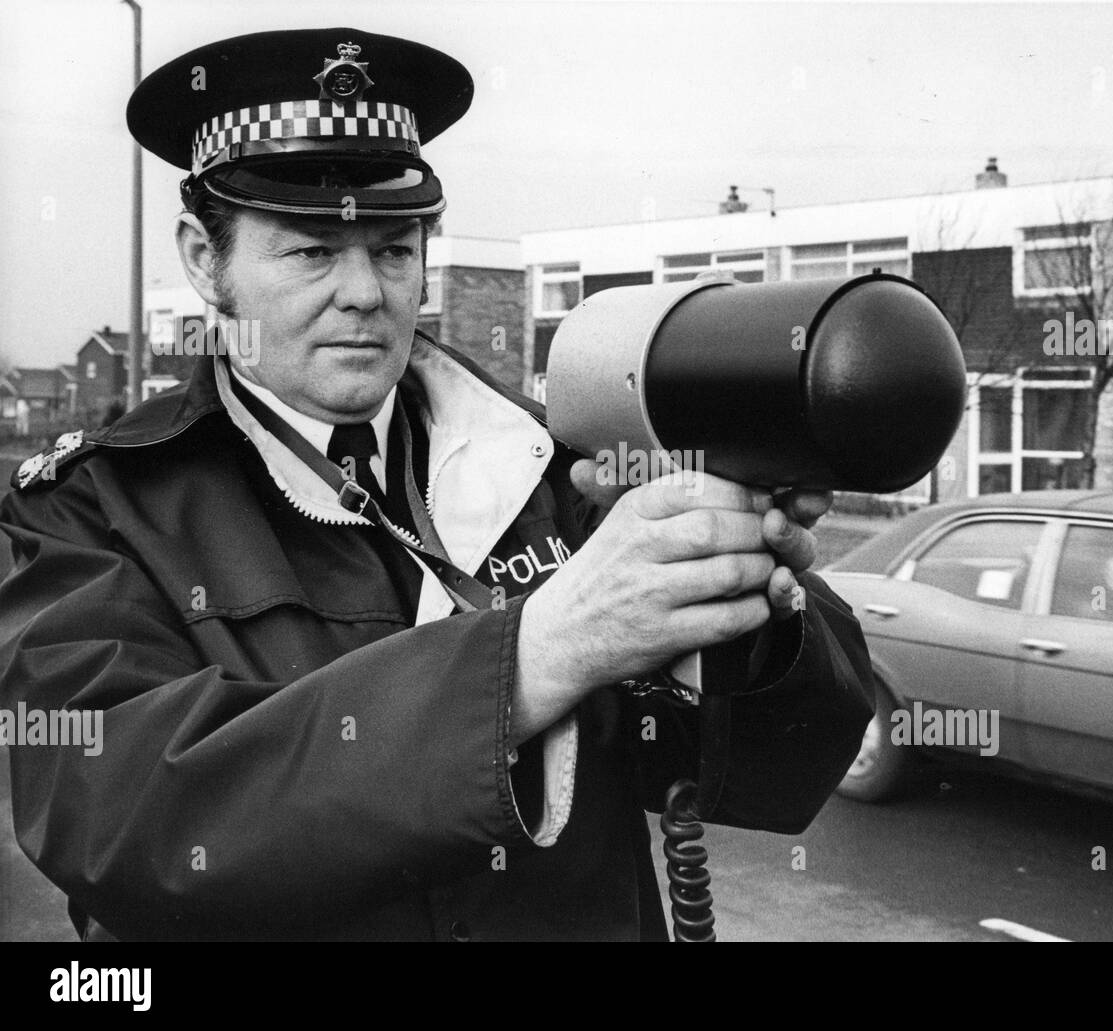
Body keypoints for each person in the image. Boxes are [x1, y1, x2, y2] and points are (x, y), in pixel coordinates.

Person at [0, 27, 873, 941]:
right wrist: (537, 654)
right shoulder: (94, 508)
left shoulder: (553, 466)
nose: (366, 292)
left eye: (393, 247)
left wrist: (745, 605)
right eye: (310, 251)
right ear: (201, 259)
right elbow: (125, 822)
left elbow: (772, 777)